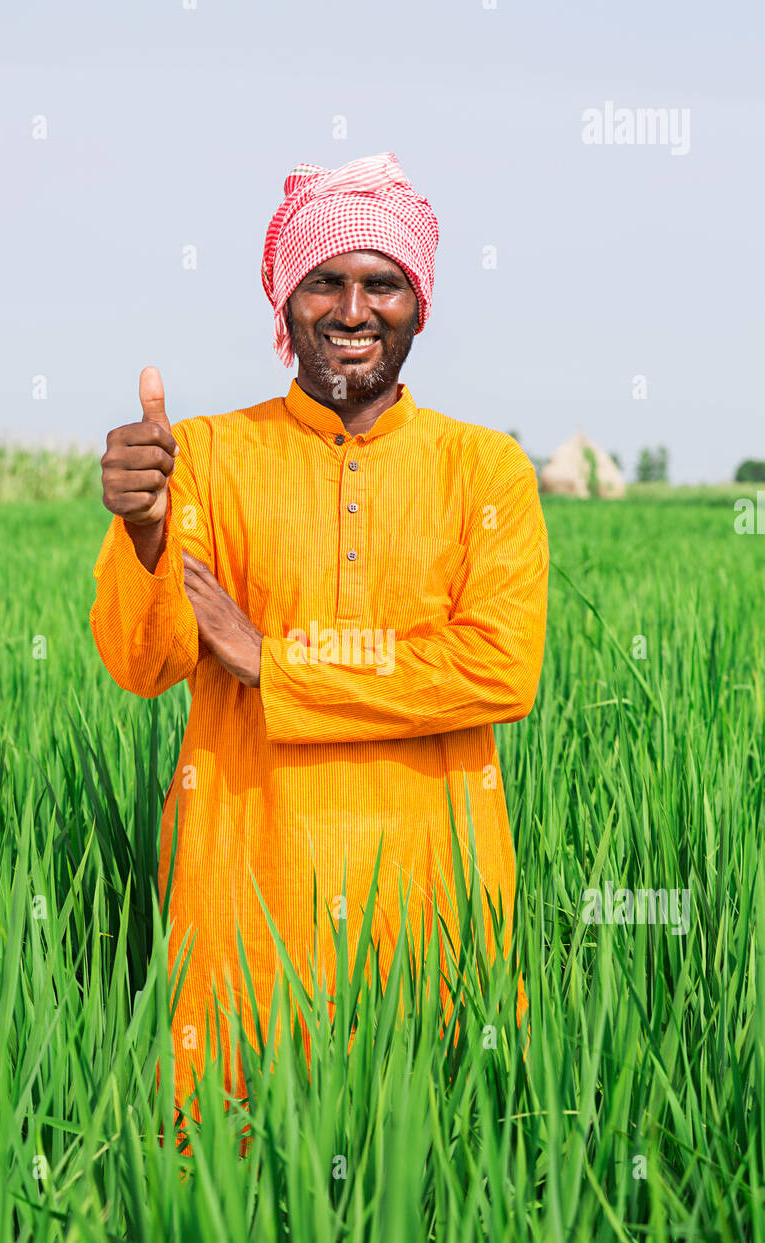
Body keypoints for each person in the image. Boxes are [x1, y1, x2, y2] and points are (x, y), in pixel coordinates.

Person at [90, 151, 549, 1144]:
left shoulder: (486, 469)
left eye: (380, 282)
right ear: (283, 302)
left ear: (417, 304)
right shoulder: (207, 456)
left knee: (437, 1178)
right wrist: (142, 535)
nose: (352, 308)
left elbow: (498, 667)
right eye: (324, 281)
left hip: (433, 896)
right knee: (224, 1174)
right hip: (245, 891)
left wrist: (274, 660)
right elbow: (146, 660)